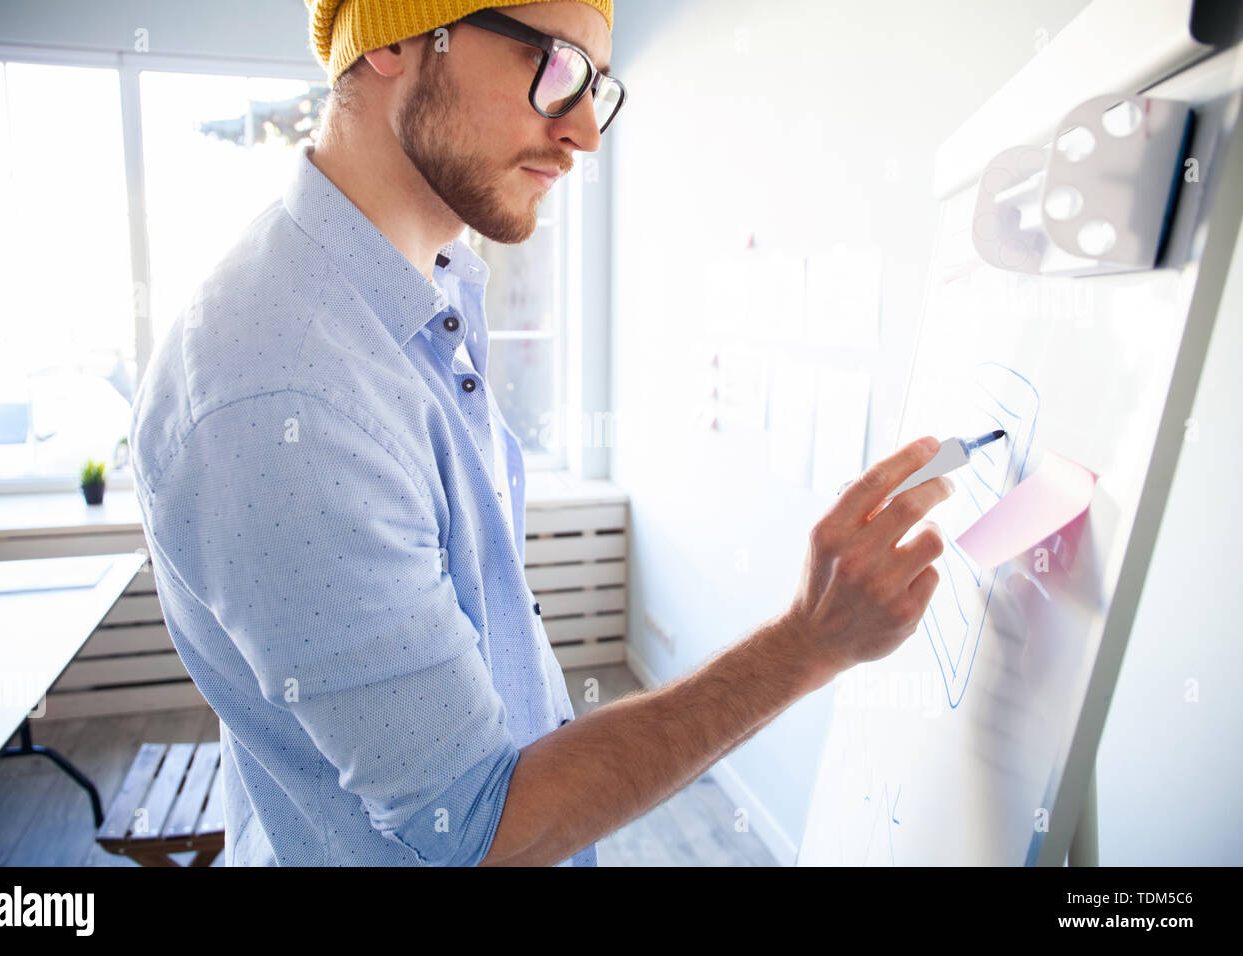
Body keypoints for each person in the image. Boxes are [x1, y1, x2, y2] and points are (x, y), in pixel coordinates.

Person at [129, 0, 953, 867]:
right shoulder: (284, 394)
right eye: (557, 70)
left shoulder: (428, 288)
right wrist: (806, 644)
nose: (587, 134)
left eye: (598, 87)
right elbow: (477, 832)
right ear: (396, 37)